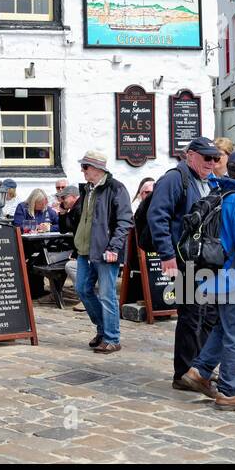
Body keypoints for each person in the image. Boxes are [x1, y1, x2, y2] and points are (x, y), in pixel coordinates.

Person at [179, 149, 235, 411]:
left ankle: (200, 371)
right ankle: (230, 392)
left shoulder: (218, 193)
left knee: (222, 328)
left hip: (213, 276)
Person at [149, 136, 222, 388]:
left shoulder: (210, 181)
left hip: (207, 259)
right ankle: (183, 373)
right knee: (190, 315)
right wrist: (166, 255)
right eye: (206, 157)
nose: (212, 163)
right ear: (189, 155)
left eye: (215, 158)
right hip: (183, 259)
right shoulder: (174, 179)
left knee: (209, 314)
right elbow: (157, 217)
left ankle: (199, 369)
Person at [58, 150, 132, 354]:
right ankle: (103, 328)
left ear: (97, 169)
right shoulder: (87, 190)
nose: (82, 171)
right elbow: (81, 220)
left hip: (105, 251)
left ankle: (112, 338)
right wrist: (65, 213)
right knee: (82, 289)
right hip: (84, 250)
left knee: (107, 294)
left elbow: (125, 221)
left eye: (85, 167)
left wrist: (114, 247)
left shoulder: (116, 188)